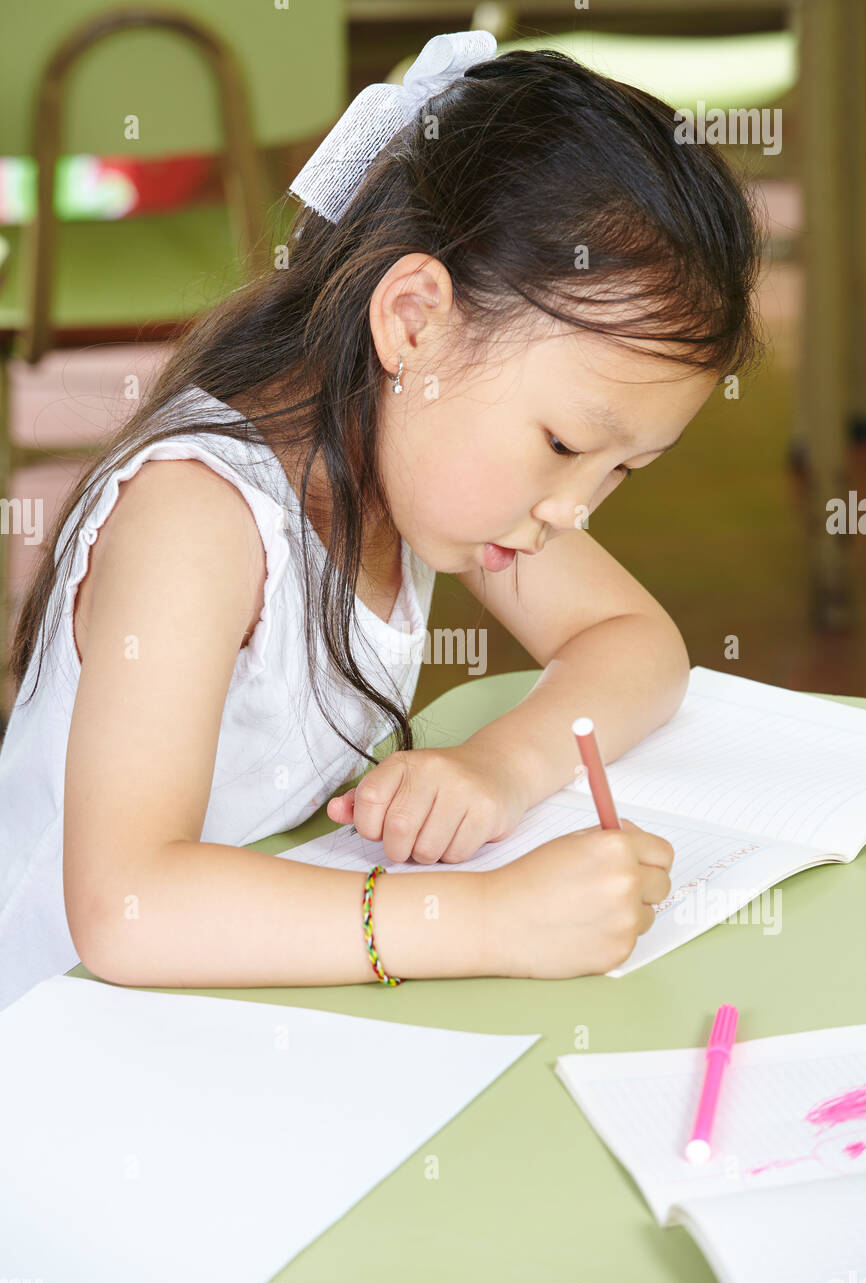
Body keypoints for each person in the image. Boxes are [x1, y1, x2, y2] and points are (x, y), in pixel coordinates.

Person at [0, 33, 764, 1009]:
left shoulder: (437, 474)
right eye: (566, 443)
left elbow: (633, 644)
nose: (569, 507)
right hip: (51, 1034)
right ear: (413, 323)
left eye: (622, 472)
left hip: (229, 1008)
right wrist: (488, 918)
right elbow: (125, 907)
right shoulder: (197, 519)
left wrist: (498, 767)